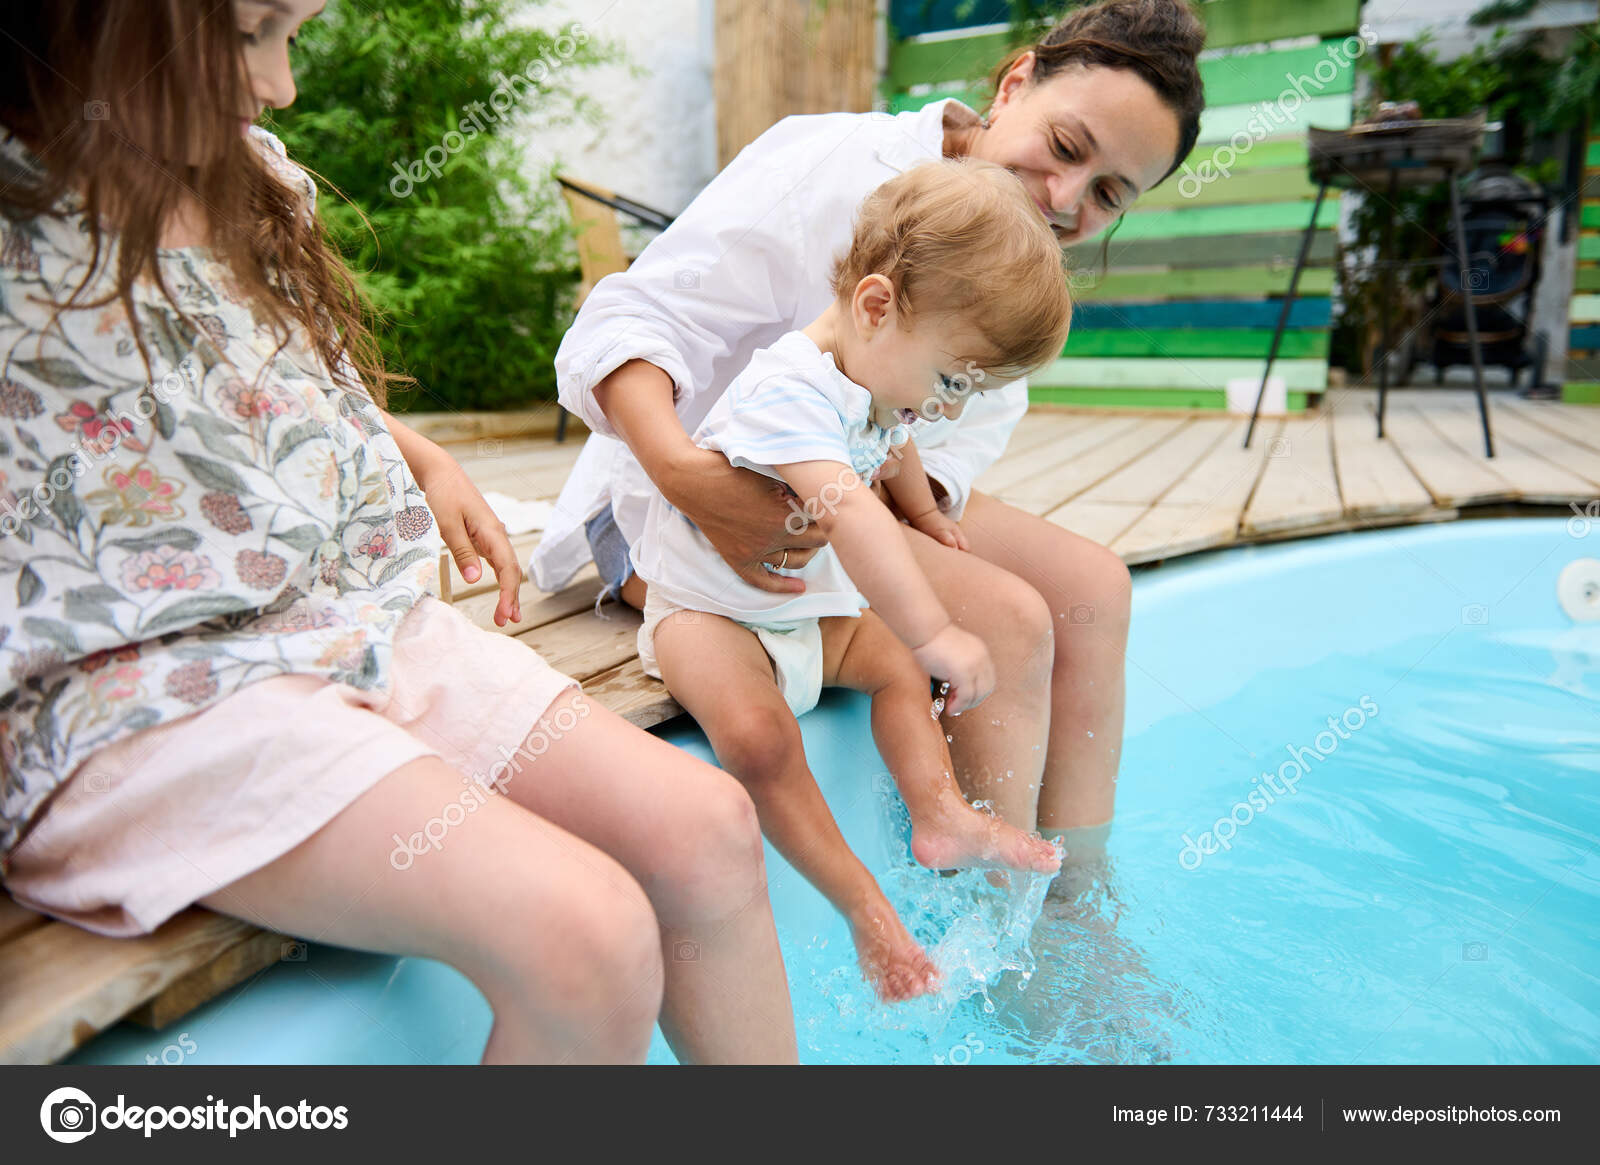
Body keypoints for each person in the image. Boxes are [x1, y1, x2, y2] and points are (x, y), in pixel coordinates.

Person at [0, 0, 795, 1065]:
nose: (280, 83)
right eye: (250, 34)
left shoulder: (253, 171)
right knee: (587, 938)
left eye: (293, 35)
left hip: (352, 622)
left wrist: (414, 451)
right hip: (138, 683)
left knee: (709, 830)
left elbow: (270, 370)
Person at [532, 0, 1207, 888]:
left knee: (1094, 586)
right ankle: (1002, 937)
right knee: (1006, 622)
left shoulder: (1008, 272)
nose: (1066, 200)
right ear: (1015, 85)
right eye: (1069, 147)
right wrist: (688, 477)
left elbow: (926, 464)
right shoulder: (833, 161)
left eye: (1111, 194)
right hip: (672, 503)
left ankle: (1076, 898)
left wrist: (910, 497)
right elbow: (626, 319)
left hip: (832, 489)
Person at [637, 160, 1070, 1001]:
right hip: (709, 615)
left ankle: (938, 813)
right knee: (760, 740)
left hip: (809, 617)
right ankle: (862, 905)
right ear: (876, 306)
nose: (947, 407)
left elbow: (895, 443)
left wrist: (927, 513)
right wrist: (933, 630)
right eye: (953, 379)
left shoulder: (872, 376)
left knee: (894, 673)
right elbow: (849, 511)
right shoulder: (787, 387)